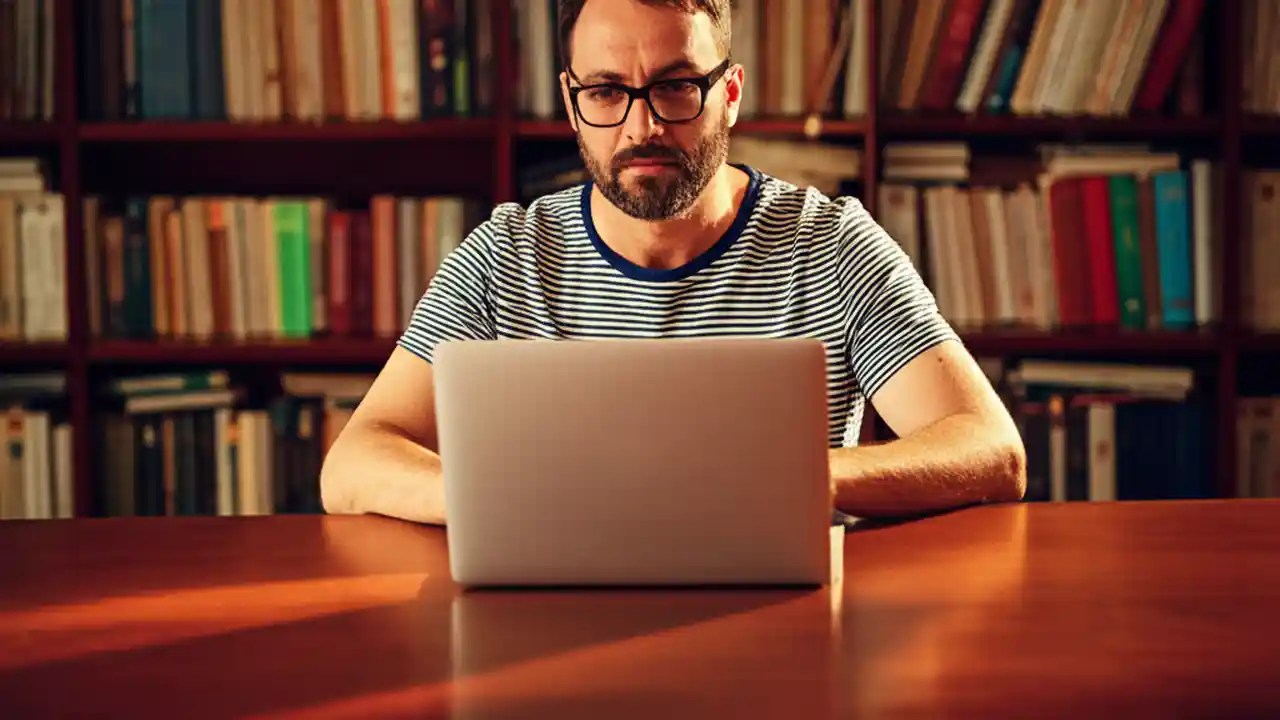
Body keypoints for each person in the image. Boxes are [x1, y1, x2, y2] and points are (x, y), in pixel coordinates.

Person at [320, 0, 1026, 525]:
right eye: (605, 92)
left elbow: (990, 449)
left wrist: (796, 480)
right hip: (547, 628)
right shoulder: (505, 257)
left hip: (785, 635)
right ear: (571, 103)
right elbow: (354, 462)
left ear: (730, 93)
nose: (642, 126)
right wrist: (497, 498)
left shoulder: (829, 244)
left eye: (676, 86)